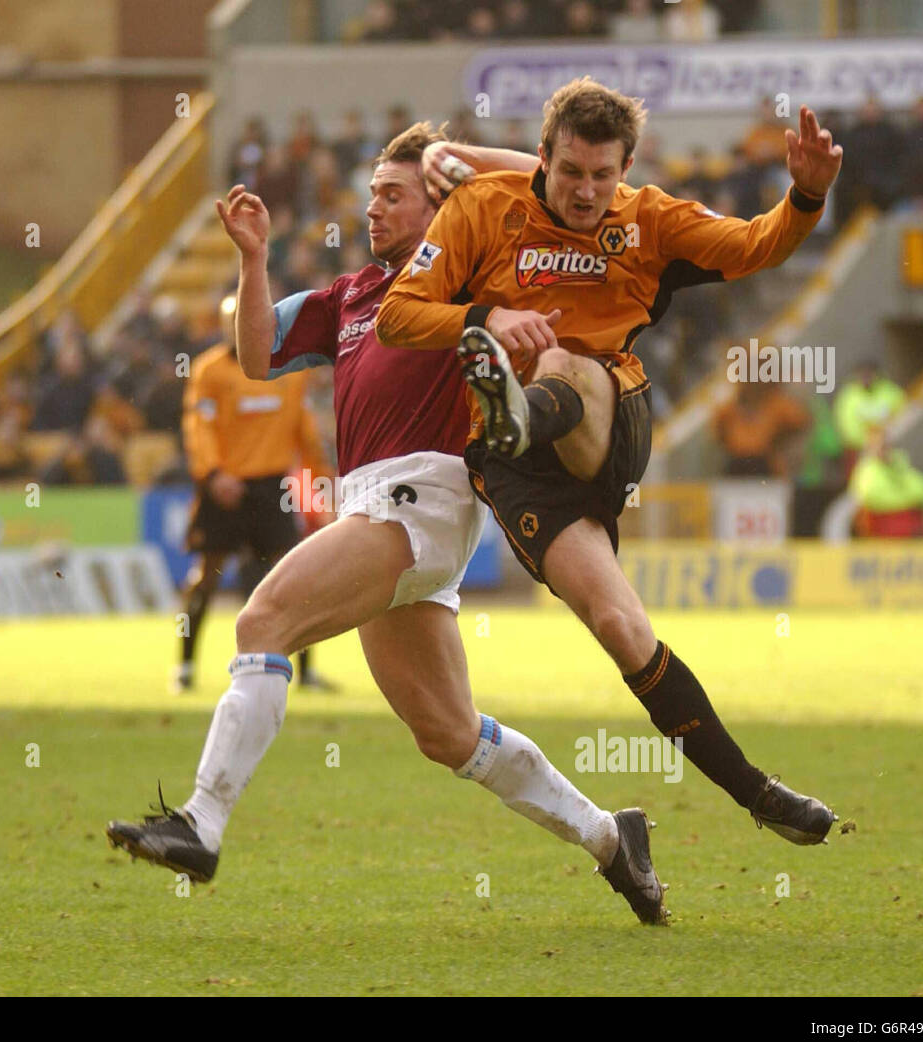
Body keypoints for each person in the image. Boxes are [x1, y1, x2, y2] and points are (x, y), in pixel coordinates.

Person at [107, 122, 668, 925]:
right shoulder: (351, 296)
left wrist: (475, 176)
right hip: (374, 504)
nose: (373, 208)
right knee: (448, 735)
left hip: (424, 495)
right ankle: (614, 840)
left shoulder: (473, 274)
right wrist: (255, 259)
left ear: (437, 204)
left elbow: (547, 195)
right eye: (371, 193)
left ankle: (201, 821)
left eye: (392, 194)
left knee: (263, 620)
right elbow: (259, 353)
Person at [377, 77, 843, 845]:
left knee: (562, 361)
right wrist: (491, 315)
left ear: (625, 168)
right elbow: (399, 315)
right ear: (544, 159)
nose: (587, 190)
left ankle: (520, 412)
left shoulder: (652, 221)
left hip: (604, 414)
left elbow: (756, 245)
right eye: (570, 172)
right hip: (516, 466)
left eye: (603, 175)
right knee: (621, 626)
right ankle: (761, 795)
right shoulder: (485, 209)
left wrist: (805, 197)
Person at [177, 294, 335, 693]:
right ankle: (185, 667)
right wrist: (213, 475)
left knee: (294, 579)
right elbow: (200, 426)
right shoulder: (210, 370)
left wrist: (323, 488)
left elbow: (306, 434)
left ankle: (307, 671)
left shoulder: (289, 373)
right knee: (206, 578)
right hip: (224, 486)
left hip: (271, 486)